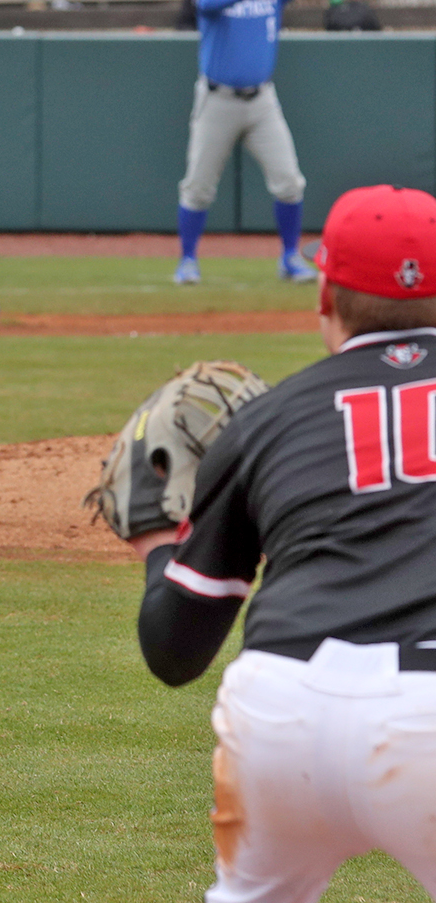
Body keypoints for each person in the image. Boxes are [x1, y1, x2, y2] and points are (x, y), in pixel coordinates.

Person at [129, 183, 436, 899]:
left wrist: (153, 542)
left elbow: (175, 652)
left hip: (283, 710)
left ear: (323, 296)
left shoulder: (266, 423)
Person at [172, 0, 352, 286]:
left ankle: (289, 258)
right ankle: (188, 260)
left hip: (262, 101)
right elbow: (206, 3)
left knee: (289, 182)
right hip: (217, 100)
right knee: (199, 187)